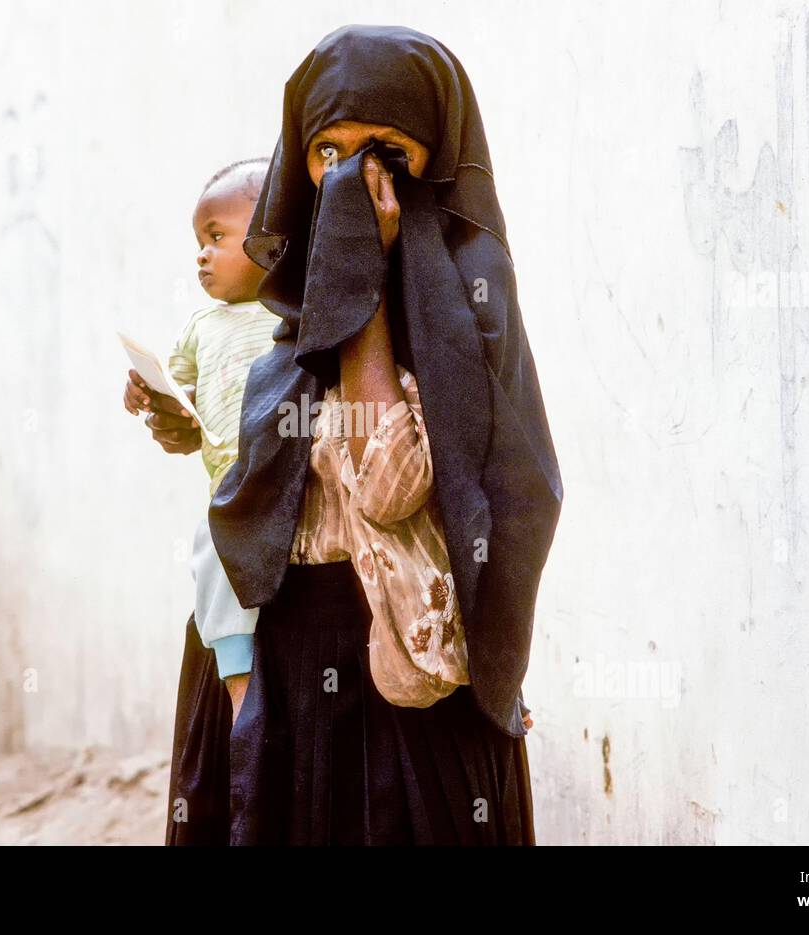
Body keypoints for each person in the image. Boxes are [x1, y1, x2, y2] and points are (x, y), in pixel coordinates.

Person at [139, 24, 563, 845]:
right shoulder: (283, 311)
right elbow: (266, 473)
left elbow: (388, 483)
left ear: (435, 157)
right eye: (327, 151)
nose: (351, 180)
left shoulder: (462, 299)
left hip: (400, 685)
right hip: (286, 666)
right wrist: (185, 426)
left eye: (386, 152)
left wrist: (360, 292)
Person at [121, 157, 277, 844]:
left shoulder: (290, 316)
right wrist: (148, 397)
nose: (202, 254)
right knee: (214, 561)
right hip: (228, 492)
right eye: (198, 241)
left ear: (272, 233)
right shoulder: (203, 328)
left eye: (217, 236)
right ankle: (242, 695)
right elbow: (175, 404)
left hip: (287, 496)